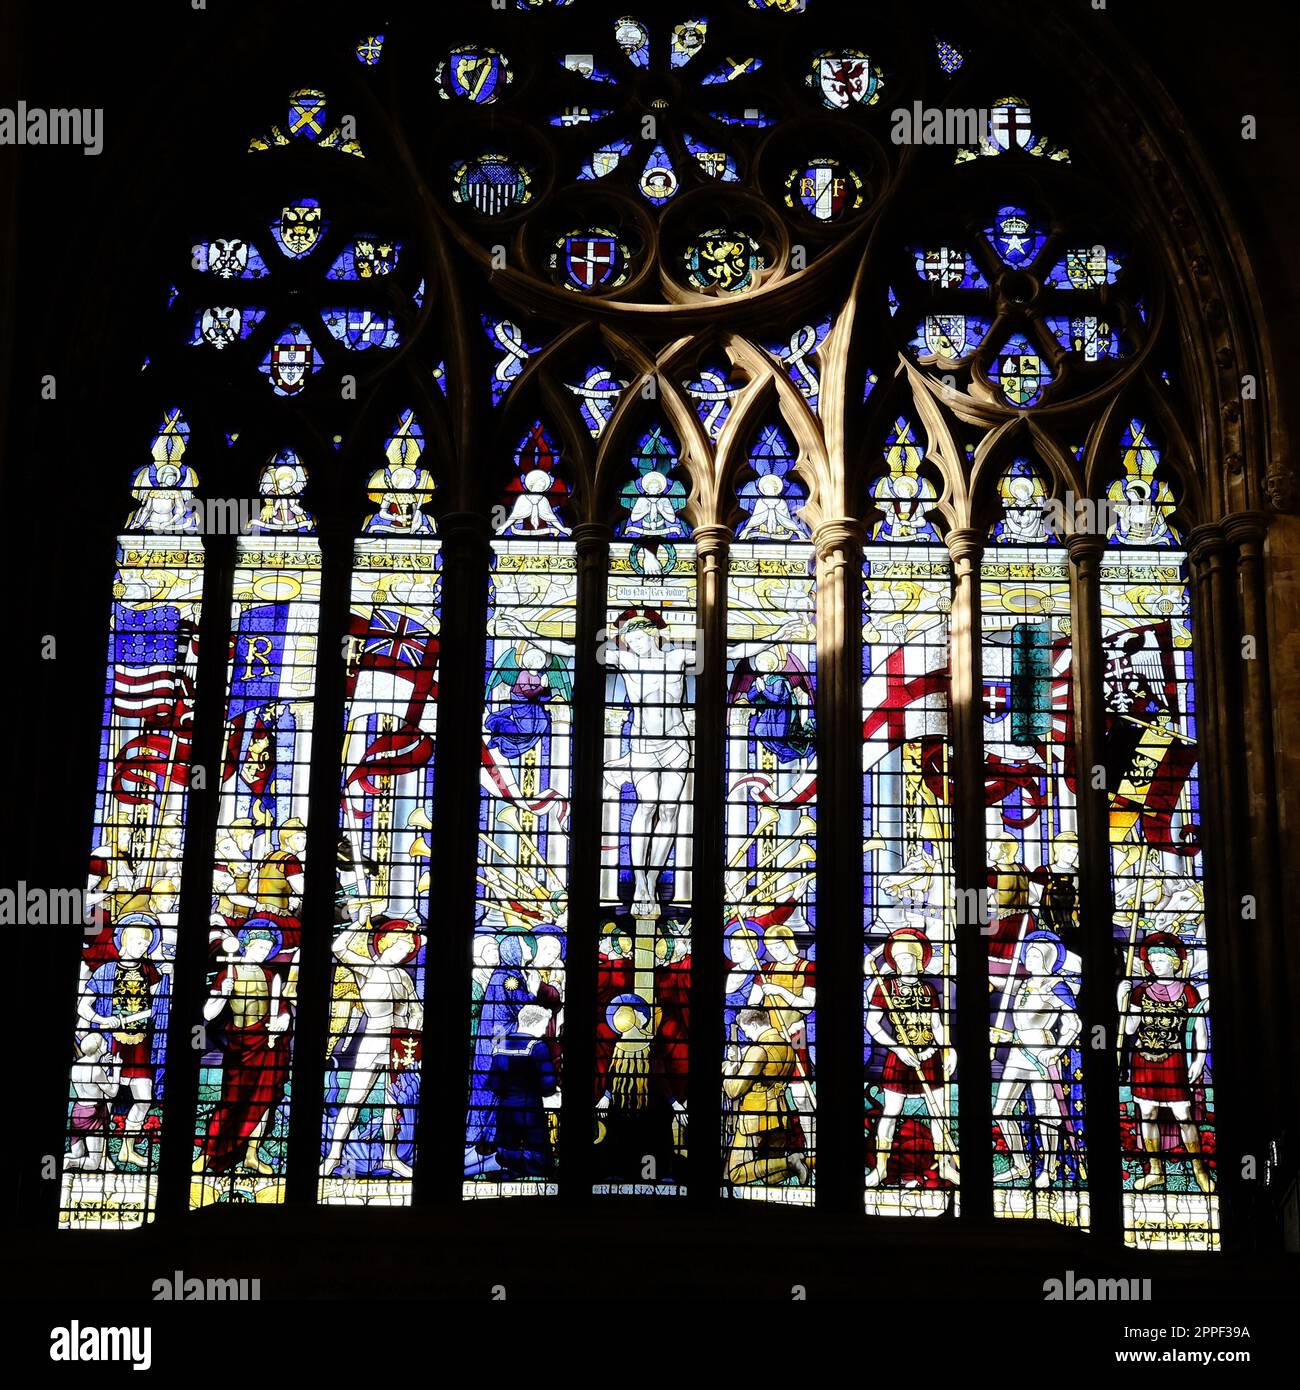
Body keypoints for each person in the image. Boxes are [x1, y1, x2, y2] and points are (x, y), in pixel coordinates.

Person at [321, 923, 424, 1178]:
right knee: (353, 1100)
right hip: (374, 1040)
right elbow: (338, 948)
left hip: (399, 1046)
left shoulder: (403, 978)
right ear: (387, 941)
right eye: (402, 945)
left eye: (409, 948)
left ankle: (390, 1157)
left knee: (393, 1104)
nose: (405, 951)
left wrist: (412, 1029)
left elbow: (417, 1010)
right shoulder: (367, 968)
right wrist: (357, 923)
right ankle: (333, 1158)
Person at [1119, 932, 1213, 1194]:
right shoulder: (1140, 991)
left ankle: (1200, 1171)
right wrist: (1121, 1000)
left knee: (1184, 1116)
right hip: (1144, 1060)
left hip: (1173, 1061)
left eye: (1162, 959)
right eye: (1153, 960)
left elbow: (1200, 1030)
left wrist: (1199, 1058)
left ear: (1174, 962)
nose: (1156, 963)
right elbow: (1129, 1029)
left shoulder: (1188, 992)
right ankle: (1155, 1170)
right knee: (1147, 1115)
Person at [195, 922, 292, 1177]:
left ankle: (252, 1154)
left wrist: (282, 1022)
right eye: (259, 946)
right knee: (231, 1101)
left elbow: (281, 1008)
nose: (263, 952)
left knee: (264, 1101)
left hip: (268, 1044)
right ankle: (209, 1153)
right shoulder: (230, 973)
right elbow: (208, 1013)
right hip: (241, 1044)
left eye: (268, 949)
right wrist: (221, 996)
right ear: (247, 944)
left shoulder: (271, 976)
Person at [864, 927, 958, 1188]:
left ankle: (945, 1167)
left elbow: (937, 1026)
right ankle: (880, 1168)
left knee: (939, 1114)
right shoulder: (886, 988)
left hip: (928, 1058)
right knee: (891, 1112)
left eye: (910, 958)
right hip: (899, 1058)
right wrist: (898, 1049)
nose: (906, 963)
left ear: (919, 961)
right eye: (900, 959)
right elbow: (872, 1025)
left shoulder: (929, 990)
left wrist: (948, 1050)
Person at [992, 931, 1082, 1188]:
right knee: (1001, 1111)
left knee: (1046, 1115)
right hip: (1019, 1051)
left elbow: (1074, 1023)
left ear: (1047, 958)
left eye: (1034, 955)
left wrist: (1057, 1050)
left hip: (1042, 1054)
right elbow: (1002, 986)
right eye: (1027, 954)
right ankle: (1021, 1166)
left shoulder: (1056, 986)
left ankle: (1048, 1170)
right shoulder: (1021, 984)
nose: (1028, 959)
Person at [77, 916, 169, 1170]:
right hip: (111, 1045)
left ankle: (128, 1149)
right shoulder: (105, 971)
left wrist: (167, 981)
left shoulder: (150, 971)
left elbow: (159, 1005)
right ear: (125, 941)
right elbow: (83, 1006)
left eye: (146, 944)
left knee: (144, 1098)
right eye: (139, 942)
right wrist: (103, 1020)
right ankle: (101, 1154)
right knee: (105, 1099)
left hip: (140, 1045)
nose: (143, 948)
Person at [464, 1005, 558, 1179]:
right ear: (534, 1023)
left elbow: (494, 1082)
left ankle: (503, 1164)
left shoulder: (500, 1045)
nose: (544, 1031)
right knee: (542, 1161)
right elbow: (548, 1084)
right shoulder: (537, 1047)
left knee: (507, 1148)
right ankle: (507, 1161)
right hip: (530, 1110)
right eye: (544, 1025)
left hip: (505, 1110)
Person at [723, 1008, 810, 1186]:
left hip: (755, 1117)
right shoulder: (787, 1047)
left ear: (754, 1024)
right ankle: (802, 1163)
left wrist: (727, 1071)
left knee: (735, 1174)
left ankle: (791, 1162)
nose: (747, 1035)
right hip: (779, 1115)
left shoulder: (759, 1050)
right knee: (771, 1176)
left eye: (746, 1030)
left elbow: (735, 1090)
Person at [64, 1033, 122, 1173]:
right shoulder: (96, 1071)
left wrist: (103, 1065)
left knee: (78, 1152)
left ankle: (67, 1159)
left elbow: (91, 1085)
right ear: (98, 1047)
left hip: (78, 1111)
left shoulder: (75, 1067)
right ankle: (71, 1162)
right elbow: (112, 1092)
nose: (106, 1044)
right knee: (94, 1163)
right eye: (103, 1042)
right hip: (93, 1114)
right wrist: (117, 1070)